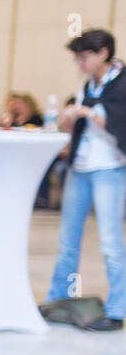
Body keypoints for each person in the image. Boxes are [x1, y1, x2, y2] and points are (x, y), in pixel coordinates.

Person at [45, 29, 125, 331]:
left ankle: (117, 310)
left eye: (84, 57)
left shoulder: (121, 84)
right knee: (68, 241)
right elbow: (75, 130)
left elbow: (120, 124)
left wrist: (89, 113)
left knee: (110, 242)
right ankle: (57, 299)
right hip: (80, 167)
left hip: (109, 169)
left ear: (103, 53)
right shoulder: (86, 87)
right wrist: (69, 119)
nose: (79, 63)